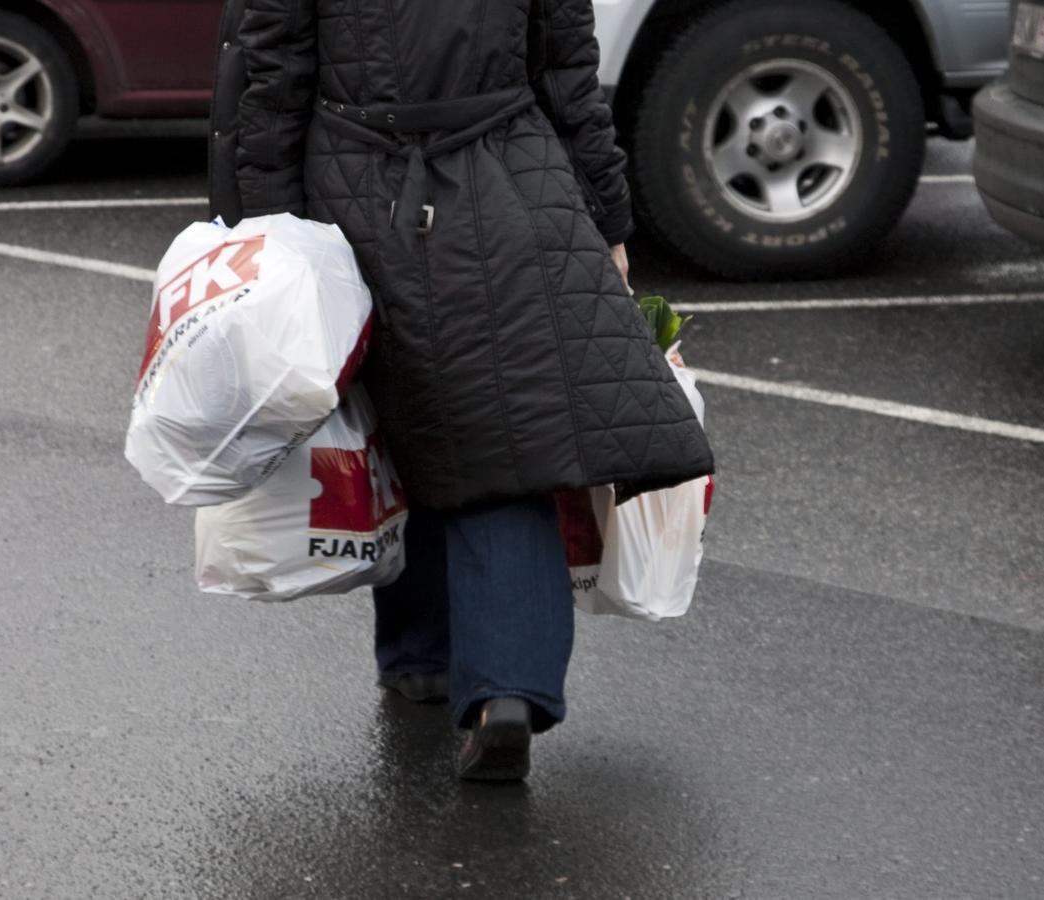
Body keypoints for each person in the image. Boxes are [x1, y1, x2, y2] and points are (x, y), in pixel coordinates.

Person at [209, 0, 715, 781]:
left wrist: (262, 233)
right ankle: (503, 683)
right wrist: (607, 218)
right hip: (512, 172)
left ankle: (425, 660)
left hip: (356, 183)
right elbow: (567, 69)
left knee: (404, 416)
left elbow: (270, 78)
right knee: (509, 428)